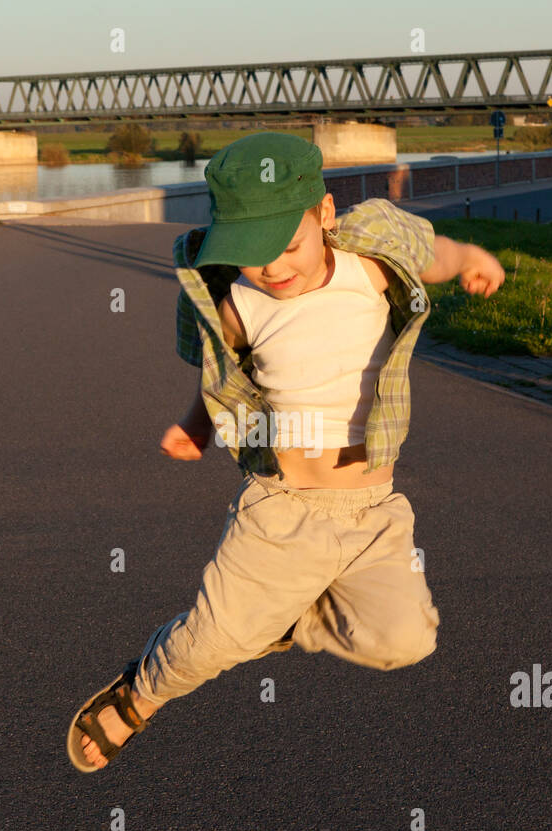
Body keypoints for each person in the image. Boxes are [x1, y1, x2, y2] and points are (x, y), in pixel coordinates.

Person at [68, 131, 505, 771]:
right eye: (251, 255)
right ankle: (139, 695)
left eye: (288, 245)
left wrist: (471, 256)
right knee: (209, 644)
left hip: (374, 512)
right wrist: (199, 424)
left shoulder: (371, 264)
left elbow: (432, 250)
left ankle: (283, 618)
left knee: (407, 640)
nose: (272, 267)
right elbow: (218, 377)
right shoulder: (239, 306)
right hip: (283, 509)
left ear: (324, 216)